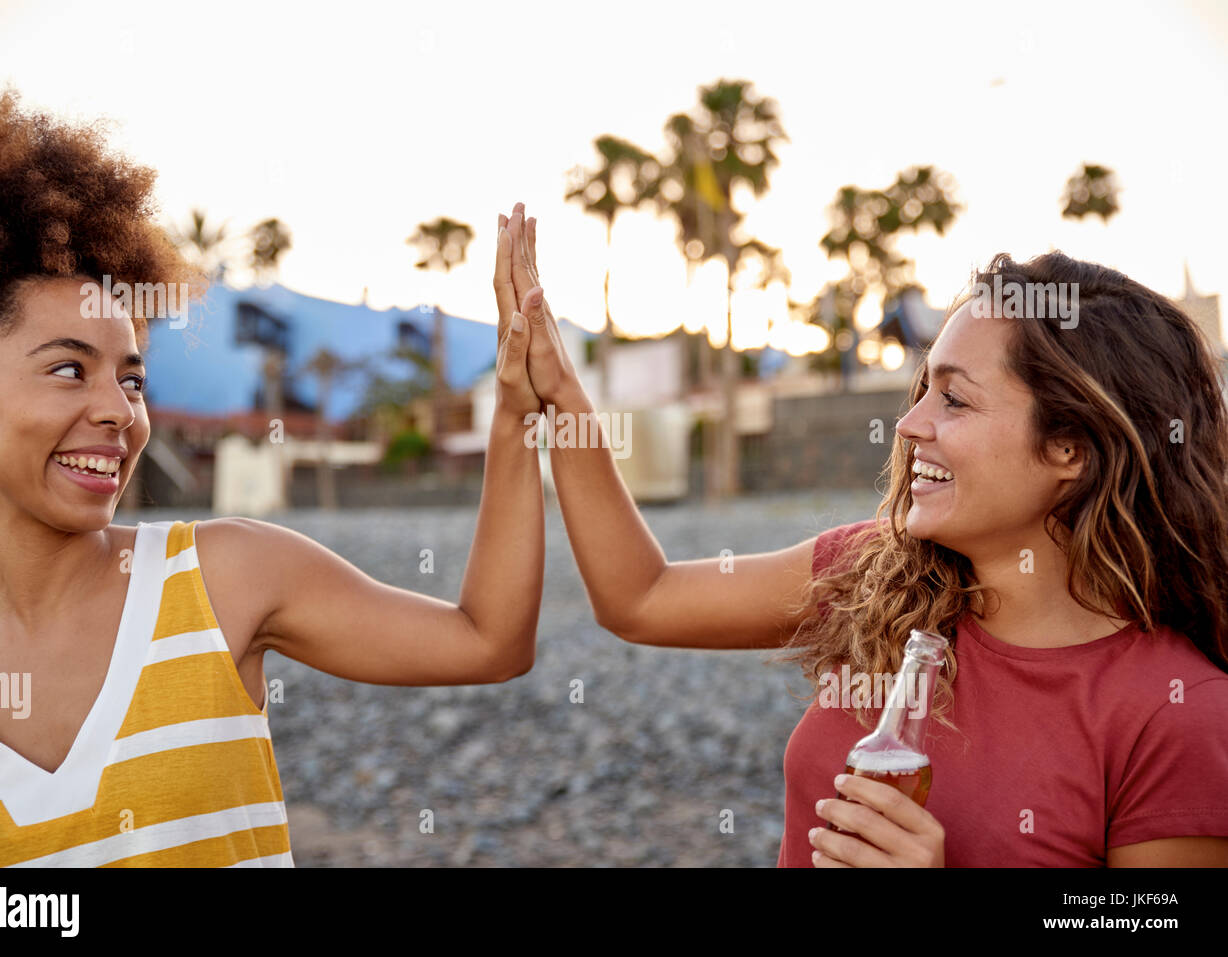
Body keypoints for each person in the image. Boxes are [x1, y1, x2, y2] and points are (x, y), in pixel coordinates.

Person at [498, 201, 1228, 866]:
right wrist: (561, 392)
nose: (910, 426)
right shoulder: (875, 571)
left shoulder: (1176, 712)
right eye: (921, 390)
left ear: (1069, 447)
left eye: (955, 400)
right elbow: (640, 596)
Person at [0, 89, 546, 867]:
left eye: (132, 378)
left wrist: (517, 411)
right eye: (66, 369)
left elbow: (489, 641)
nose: (117, 411)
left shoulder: (225, 579)